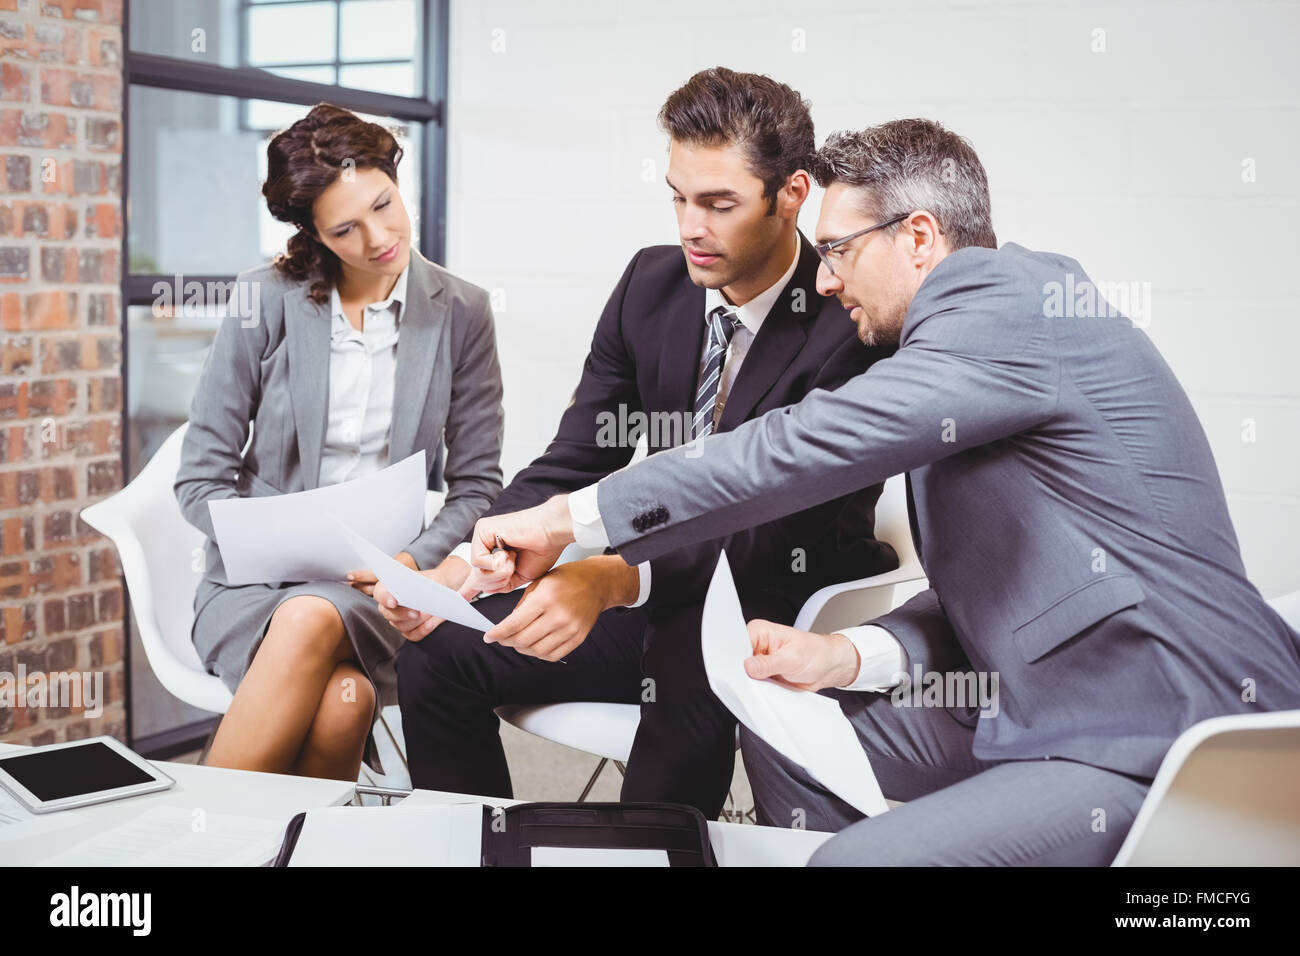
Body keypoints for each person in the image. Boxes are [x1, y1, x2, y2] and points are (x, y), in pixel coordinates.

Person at [463, 118, 1300, 864]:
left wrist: (572, 520)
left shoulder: (1006, 309)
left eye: (838, 250)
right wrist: (848, 655)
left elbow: (797, 444)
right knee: (784, 728)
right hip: (1034, 701)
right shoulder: (965, 355)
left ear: (921, 237)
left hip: (1154, 723)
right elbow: (1011, 581)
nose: (824, 281)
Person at [383, 68, 897, 817]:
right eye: (679, 197)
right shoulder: (651, 285)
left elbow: (769, 520)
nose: (691, 226)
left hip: (778, 599)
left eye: (720, 203)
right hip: (656, 579)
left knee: (687, 678)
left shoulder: (845, 317)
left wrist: (607, 577)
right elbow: (575, 458)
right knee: (437, 655)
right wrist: (467, 564)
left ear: (791, 195)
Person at [174, 103, 504, 781]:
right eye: (346, 229)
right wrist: (269, 533)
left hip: (381, 589)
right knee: (343, 701)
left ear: (394, 177)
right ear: (314, 235)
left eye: (384, 205)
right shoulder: (261, 301)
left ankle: (197, 840)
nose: (380, 237)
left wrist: (414, 558)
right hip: (255, 589)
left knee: (315, 626)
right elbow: (198, 480)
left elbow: (477, 486)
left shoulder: (462, 312)